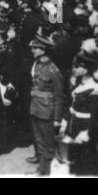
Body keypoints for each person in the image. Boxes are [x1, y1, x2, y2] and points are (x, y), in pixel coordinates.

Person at [27, 33, 67, 175]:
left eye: (35, 48)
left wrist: (57, 119)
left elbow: (59, 97)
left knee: (48, 145)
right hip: (35, 108)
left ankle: (45, 173)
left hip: (47, 112)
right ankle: (42, 170)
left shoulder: (54, 71)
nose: (32, 50)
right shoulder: (37, 65)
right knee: (39, 141)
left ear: (43, 50)